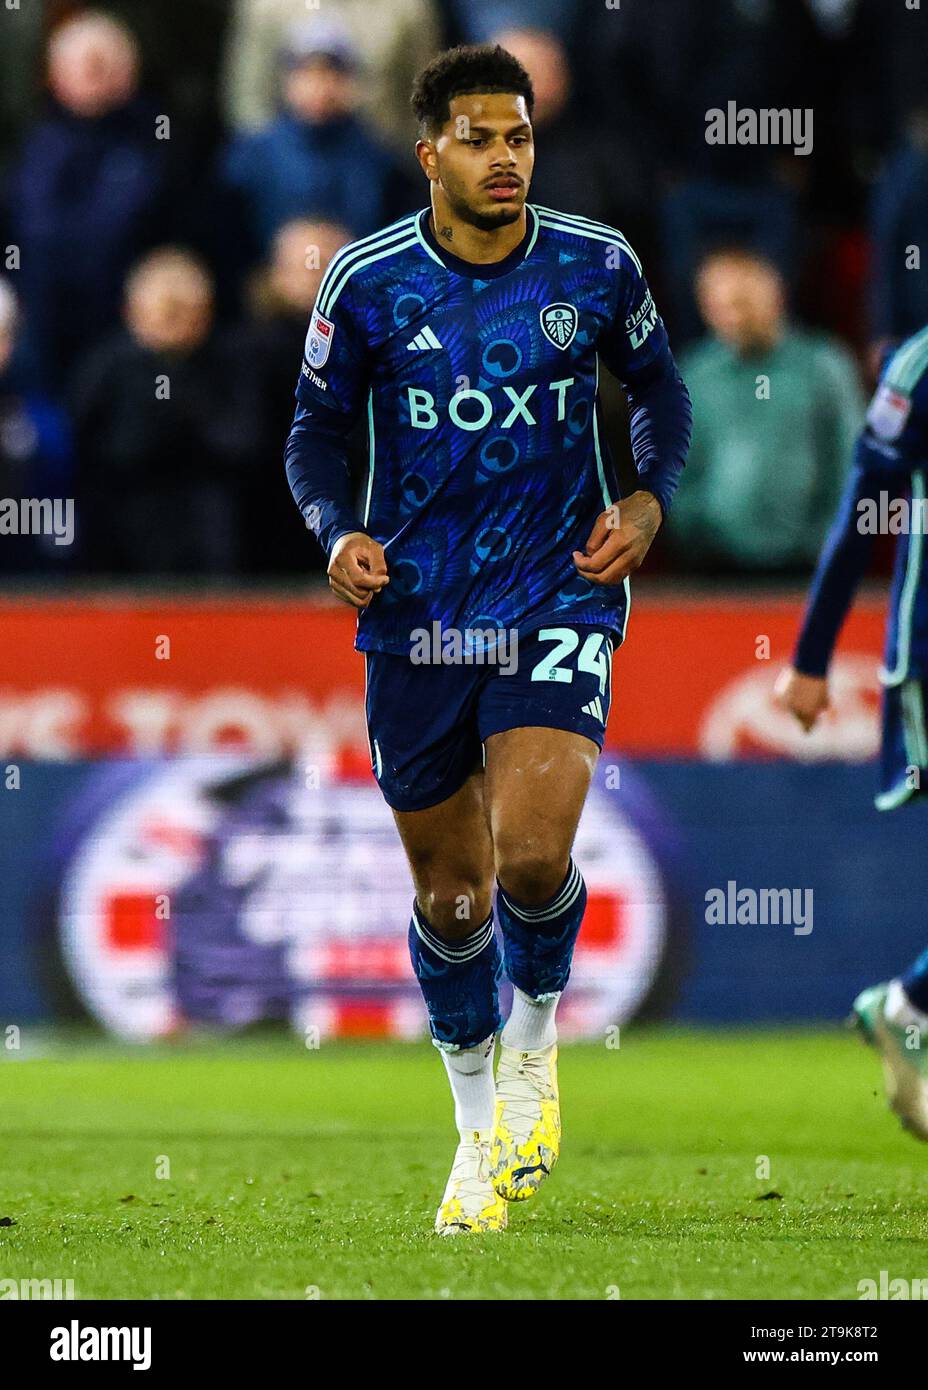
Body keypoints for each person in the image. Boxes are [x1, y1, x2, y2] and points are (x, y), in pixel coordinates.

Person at [284, 44, 692, 1233]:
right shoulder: (365, 282)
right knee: (453, 901)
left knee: (527, 857)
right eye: (478, 137)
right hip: (415, 612)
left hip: (555, 592)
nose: (505, 155)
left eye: (517, 135)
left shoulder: (595, 263)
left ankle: (532, 1045)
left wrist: (647, 497)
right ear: (429, 156)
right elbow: (312, 432)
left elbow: (662, 390)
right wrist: (334, 531)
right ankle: (471, 1139)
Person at [776, 325, 928, 1140]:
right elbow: (863, 510)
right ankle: (907, 1004)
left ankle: (905, 1005)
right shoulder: (917, 367)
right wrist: (809, 659)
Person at [668, 247, 863, 575]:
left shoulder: (824, 366)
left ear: (773, 300)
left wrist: (826, 539)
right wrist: (693, 532)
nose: (729, 316)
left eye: (740, 303)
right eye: (715, 306)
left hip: (806, 566)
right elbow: (674, 467)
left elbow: (852, 461)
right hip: (713, 568)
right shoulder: (695, 374)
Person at [71, 248, 259, 575]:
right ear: (131, 311)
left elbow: (244, 444)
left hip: (212, 530)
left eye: (184, 312)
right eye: (164, 312)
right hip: (120, 529)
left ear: (207, 314)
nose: (173, 324)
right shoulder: (106, 367)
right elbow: (86, 449)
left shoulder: (232, 364)